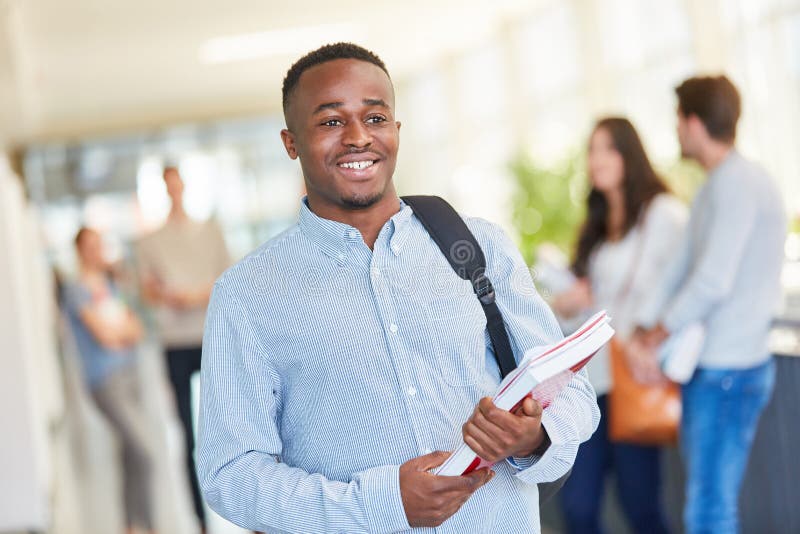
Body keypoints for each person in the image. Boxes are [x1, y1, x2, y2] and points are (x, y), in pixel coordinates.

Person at [196, 42, 600, 533]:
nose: (357, 137)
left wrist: (534, 437)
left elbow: (572, 391)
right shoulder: (247, 295)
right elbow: (231, 474)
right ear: (291, 142)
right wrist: (382, 504)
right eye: (330, 122)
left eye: (375, 117)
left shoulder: (478, 246)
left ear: (396, 130)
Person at [631, 75, 786, 534]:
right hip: (721, 369)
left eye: (678, 120)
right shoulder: (721, 185)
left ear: (694, 122)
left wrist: (657, 332)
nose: (676, 130)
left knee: (709, 508)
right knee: (708, 502)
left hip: (728, 372)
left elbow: (712, 281)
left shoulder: (737, 184)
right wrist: (643, 328)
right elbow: (681, 268)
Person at [551, 117, 686, 534]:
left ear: (629, 154)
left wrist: (653, 339)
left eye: (607, 148)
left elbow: (686, 286)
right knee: (577, 507)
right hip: (589, 387)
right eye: (592, 150)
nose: (596, 160)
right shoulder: (595, 228)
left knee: (640, 507)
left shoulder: (663, 215)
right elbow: (584, 312)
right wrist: (567, 302)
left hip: (632, 380)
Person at [135, 166, 230, 534]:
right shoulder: (150, 241)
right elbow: (146, 290)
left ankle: (250, 512)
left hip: (212, 337)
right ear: (163, 188)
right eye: (168, 185)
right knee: (187, 437)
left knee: (231, 424)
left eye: (178, 184)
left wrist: (193, 294)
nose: (174, 190)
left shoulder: (209, 231)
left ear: (184, 186)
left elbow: (227, 277)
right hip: (175, 342)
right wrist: (166, 294)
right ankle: (199, 520)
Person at [63, 227, 156, 534]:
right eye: (89, 246)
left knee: (131, 455)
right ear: (79, 251)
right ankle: (148, 526)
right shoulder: (76, 290)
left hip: (130, 377)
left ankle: (132, 525)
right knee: (145, 452)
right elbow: (102, 336)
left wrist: (119, 335)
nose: (96, 251)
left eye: (99, 245)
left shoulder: (113, 285)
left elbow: (137, 330)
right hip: (105, 382)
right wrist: (118, 335)